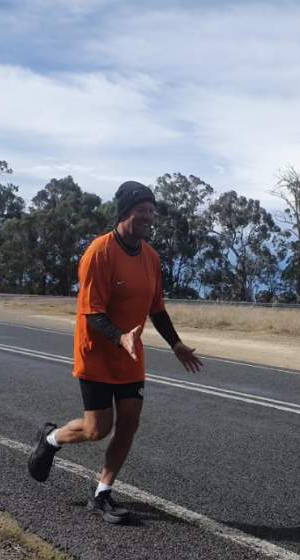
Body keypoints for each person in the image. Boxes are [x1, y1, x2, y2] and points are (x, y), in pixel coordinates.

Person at [28, 180, 202, 523]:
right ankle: (51, 439)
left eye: (152, 211)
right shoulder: (99, 253)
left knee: (130, 422)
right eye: (142, 210)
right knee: (97, 430)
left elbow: (157, 308)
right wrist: (118, 336)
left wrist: (176, 343)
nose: (149, 217)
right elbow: (91, 313)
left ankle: (102, 493)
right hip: (96, 353)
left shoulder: (150, 258)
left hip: (129, 356)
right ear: (124, 213)